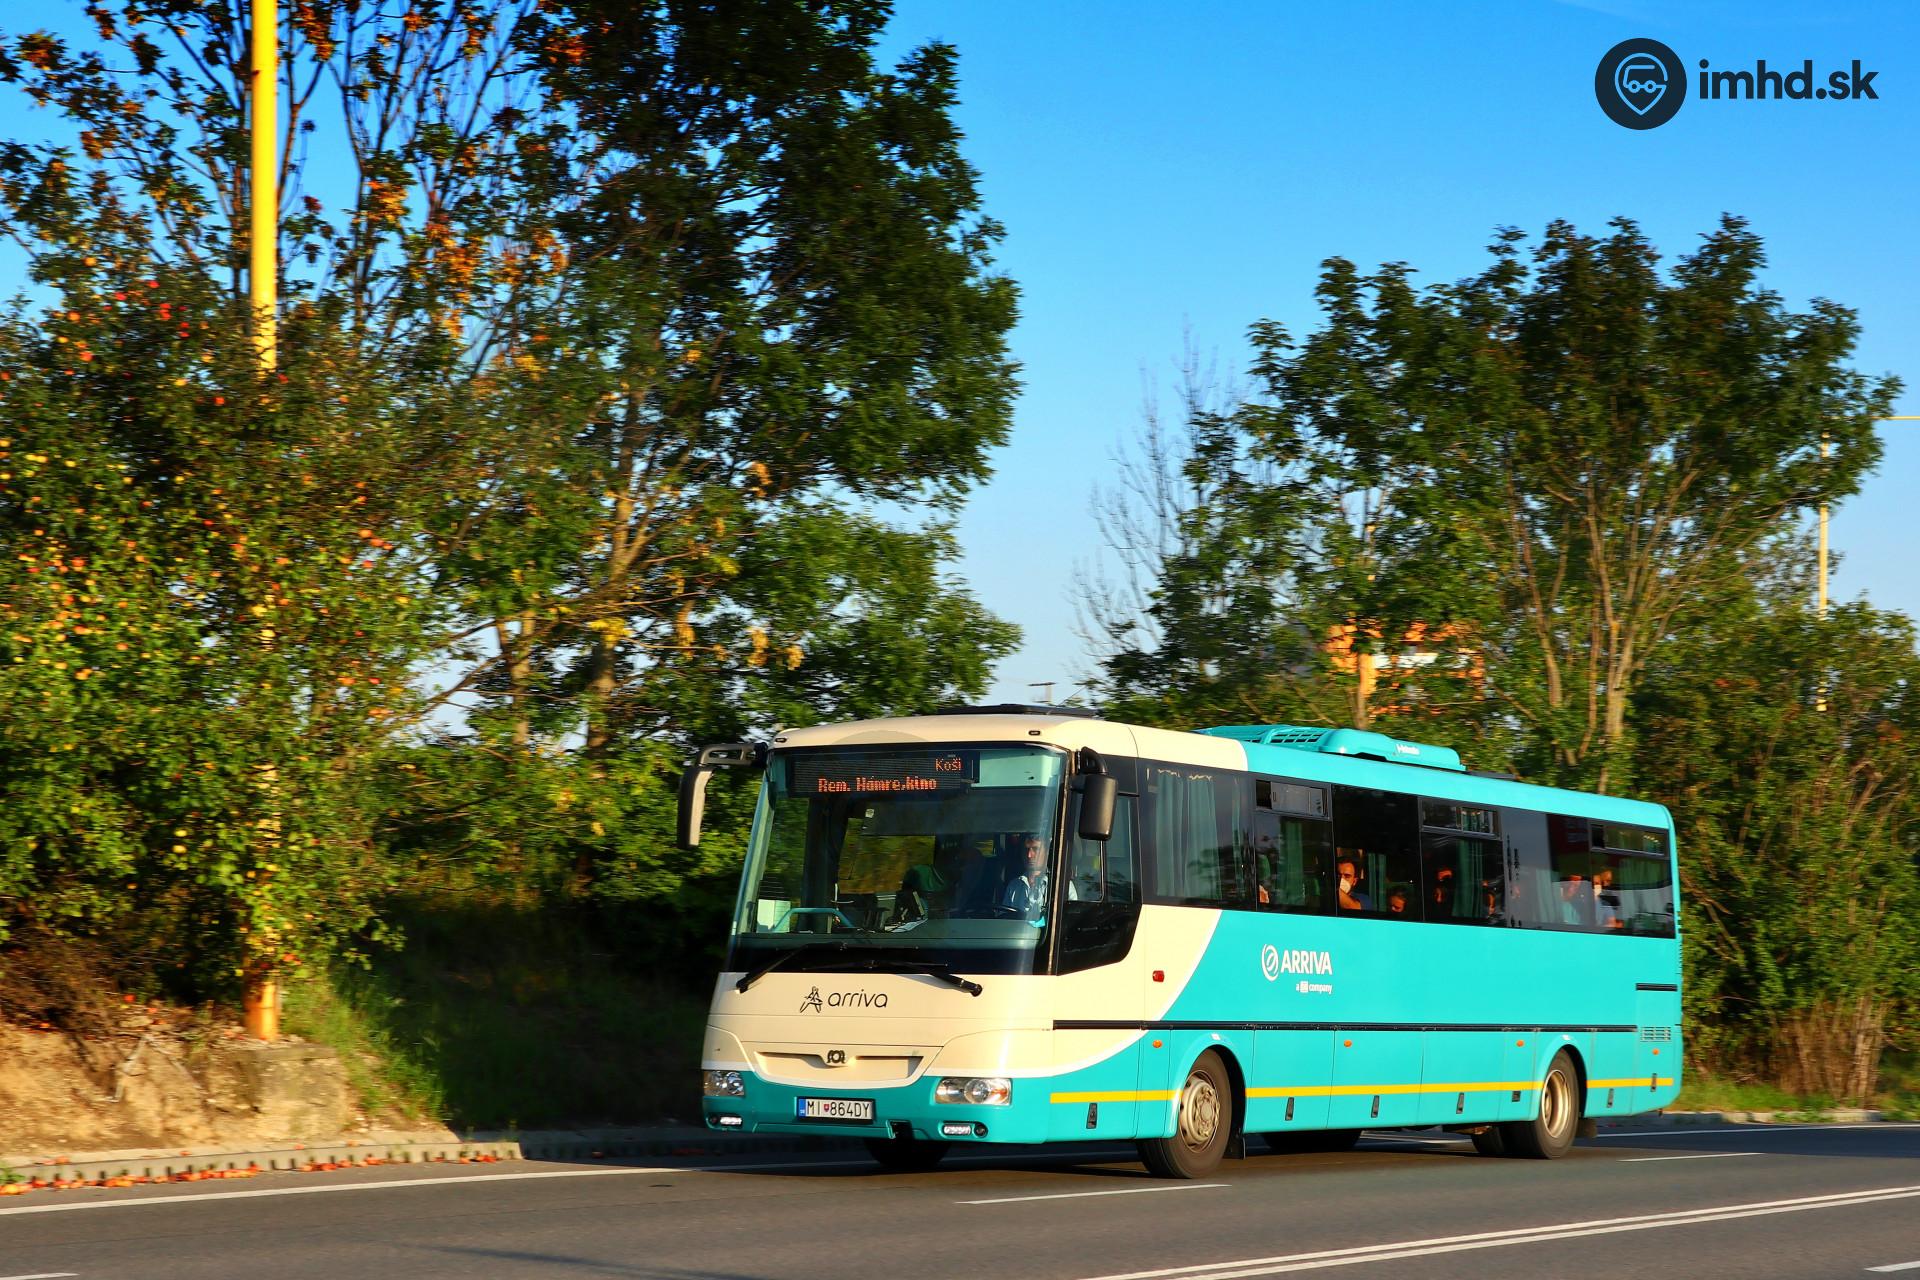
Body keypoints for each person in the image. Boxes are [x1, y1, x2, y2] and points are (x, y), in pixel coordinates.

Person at [1001, 834, 1051, 918]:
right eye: (1026, 849)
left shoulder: (1061, 887)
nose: (1029, 855)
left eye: (1035, 849)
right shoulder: (1014, 886)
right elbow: (1004, 919)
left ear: (1047, 852)